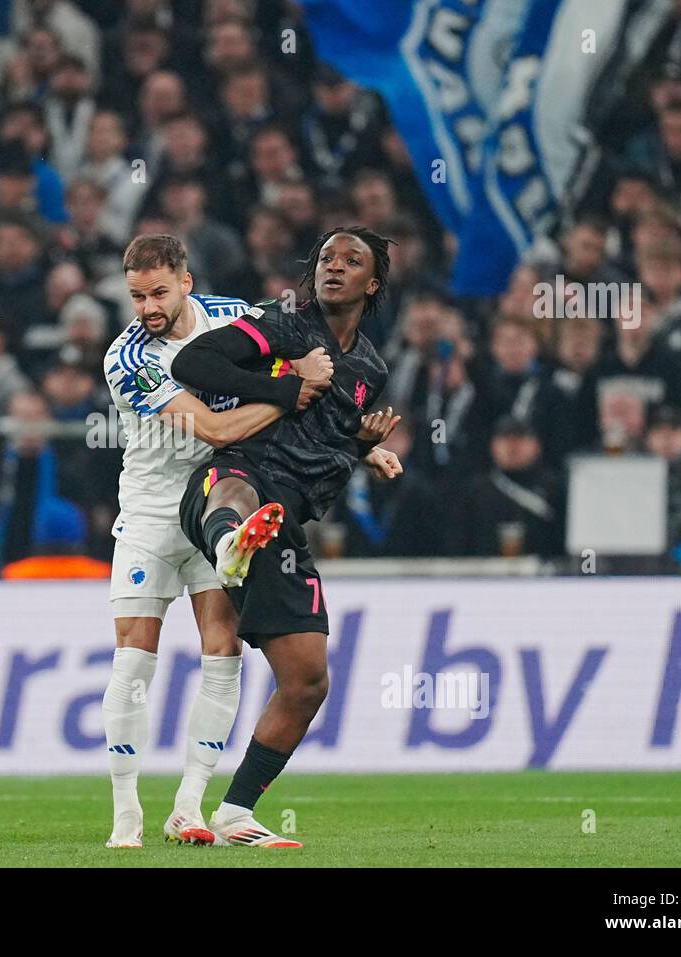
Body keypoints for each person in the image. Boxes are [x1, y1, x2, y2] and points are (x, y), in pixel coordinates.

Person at [171, 227, 403, 847]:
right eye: (327, 257)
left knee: (307, 680)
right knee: (238, 490)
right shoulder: (285, 324)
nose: (334, 267)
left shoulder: (369, 370)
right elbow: (191, 362)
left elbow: (324, 438)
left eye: (351, 262)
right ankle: (230, 542)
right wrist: (285, 381)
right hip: (231, 479)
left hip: (285, 523)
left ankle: (234, 813)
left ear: (371, 283)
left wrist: (361, 447)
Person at [99, 234, 333, 848]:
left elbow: (310, 355)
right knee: (132, 662)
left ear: (186, 282)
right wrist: (292, 391)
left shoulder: (235, 319)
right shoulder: (127, 358)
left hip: (215, 500)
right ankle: (126, 812)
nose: (147, 307)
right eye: (135, 296)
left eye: (157, 292)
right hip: (150, 513)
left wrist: (359, 436)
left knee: (221, 654)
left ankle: (190, 806)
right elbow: (212, 425)